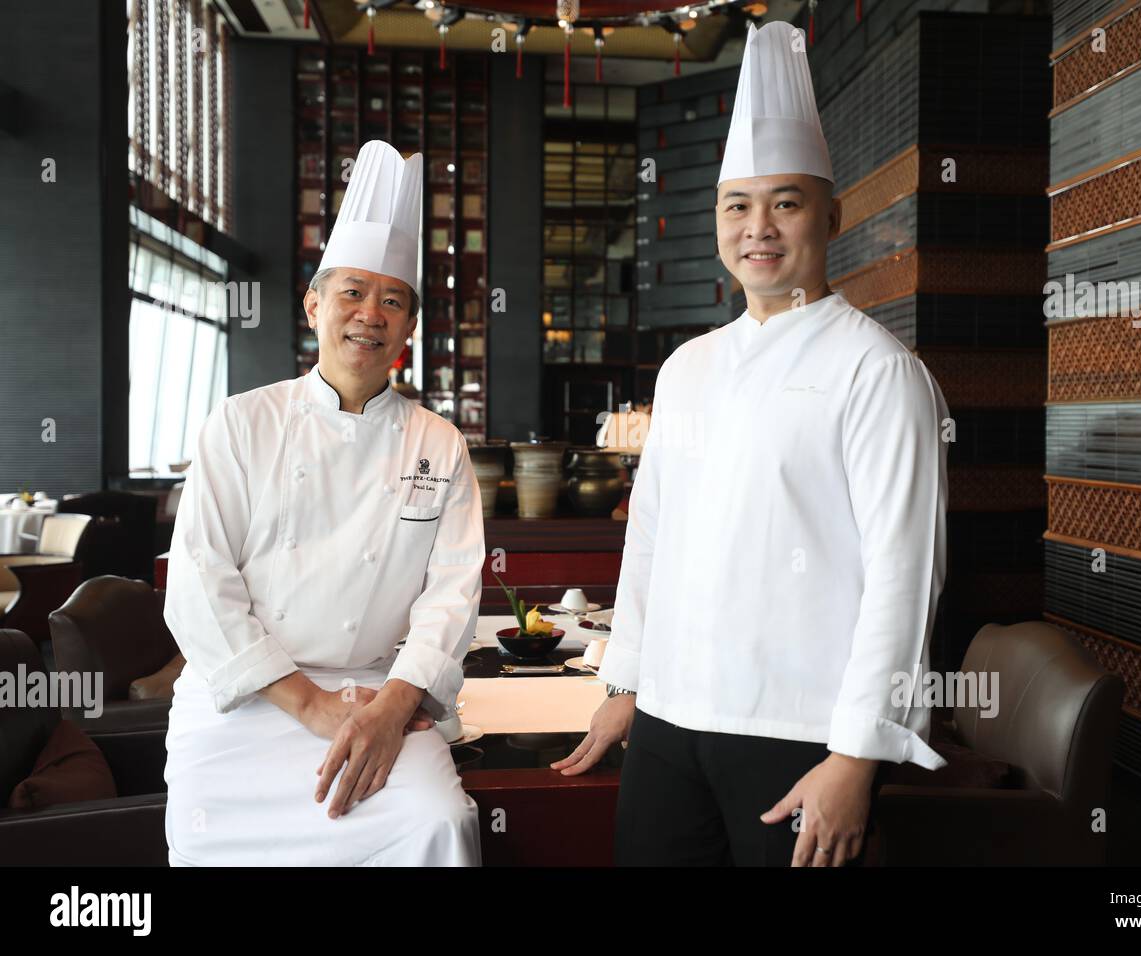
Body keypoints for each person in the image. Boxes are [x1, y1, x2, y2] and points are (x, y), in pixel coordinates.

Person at [553, 20, 951, 867]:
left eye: (786, 202)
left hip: (799, 733)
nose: (758, 227)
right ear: (718, 221)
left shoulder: (878, 371)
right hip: (667, 721)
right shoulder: (687, 368)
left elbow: (904, 575)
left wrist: (857, 755)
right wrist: (624, 684)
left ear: (831, 214)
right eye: (738, 205)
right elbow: (652, 536)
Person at [163, 140, 484, 866]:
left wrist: (398, 705)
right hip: (245, 702)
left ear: (408, 329)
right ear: (314, 304)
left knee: (441, 821)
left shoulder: (439, 443)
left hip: (378, 697)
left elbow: (451, 598)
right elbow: (198, 588)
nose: (370, 313)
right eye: (351, 292)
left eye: (393, 300)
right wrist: (307, 704)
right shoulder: (242, 423)